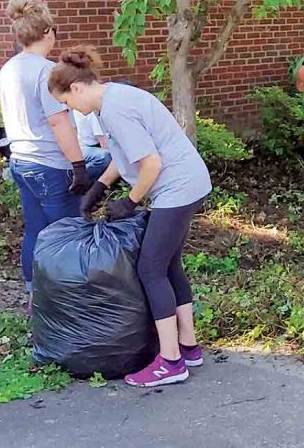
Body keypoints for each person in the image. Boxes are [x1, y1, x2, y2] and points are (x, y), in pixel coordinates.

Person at [48, 47, 212, 387]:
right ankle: (188, 347)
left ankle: (171, 362)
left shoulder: (116, 109)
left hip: (177, 188)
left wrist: (130, 201)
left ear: (76, 88)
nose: (70, 109)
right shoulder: (112, 99)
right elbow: (126, 153)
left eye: (66, 102)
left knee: (150, 269)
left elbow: (151, 164)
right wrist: (100, 186)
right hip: (188, 182)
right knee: (168, 265)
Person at [0, 0, 92, 306]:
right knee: (68, 234)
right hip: (50, 164)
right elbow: (58, 121)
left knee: (35, 231)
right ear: (48, 31)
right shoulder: (48, 72)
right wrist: (78, 165)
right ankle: (70, 303)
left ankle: (35, 297)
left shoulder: (8, 70)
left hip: (21, 161)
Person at [74, 109, 111, 180]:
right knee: (105, 156)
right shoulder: (93, 113)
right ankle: (78, 180)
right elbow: (105, 145)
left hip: (80, 147)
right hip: (84, 148)